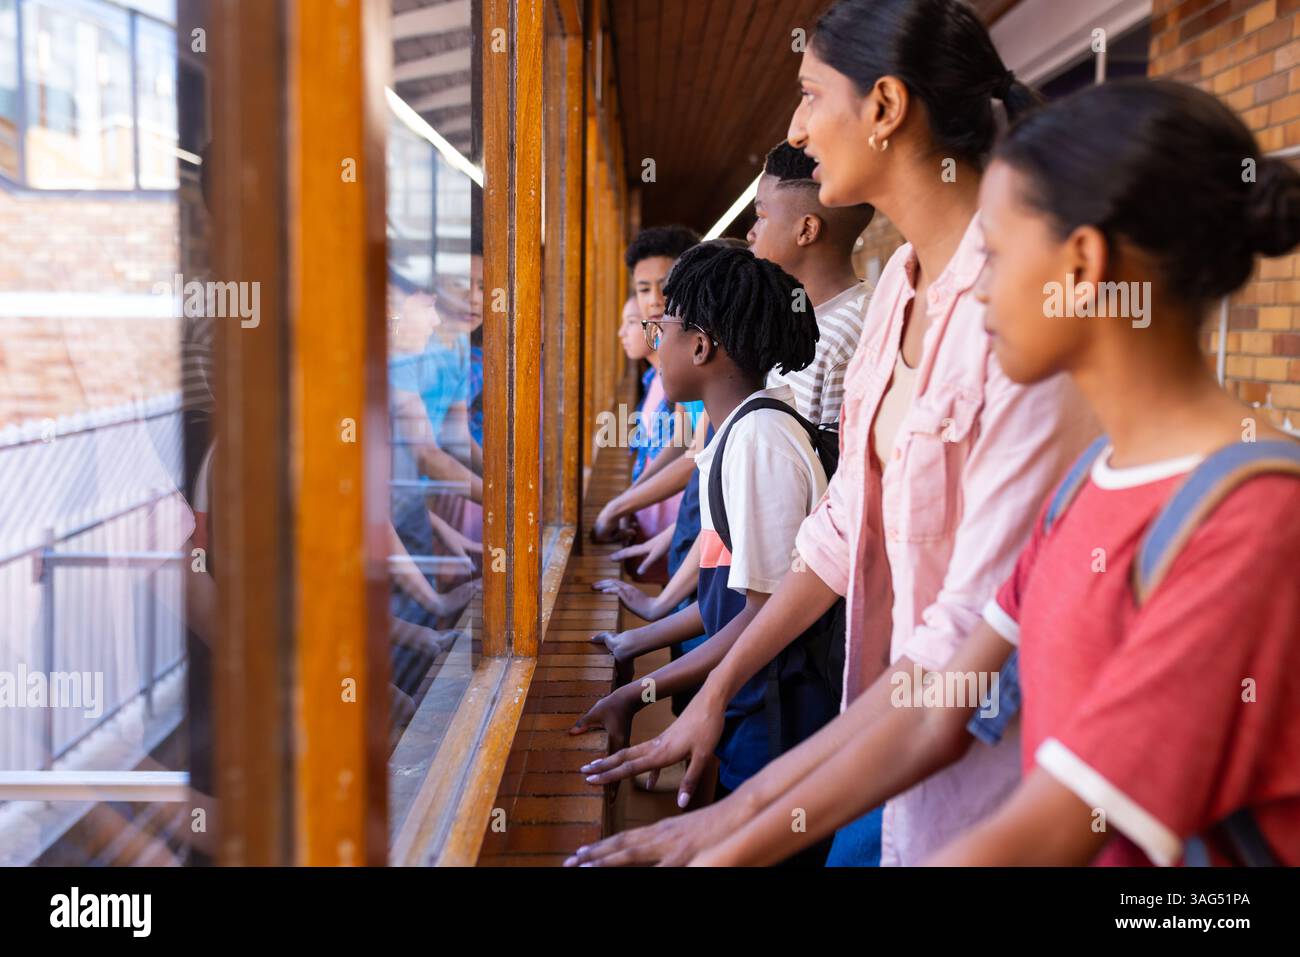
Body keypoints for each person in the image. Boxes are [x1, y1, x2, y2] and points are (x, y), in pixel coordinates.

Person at [568, 0, 1096, 868]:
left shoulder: (1023, 319)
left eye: (812, 94)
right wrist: (712, 686)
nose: (797, 125)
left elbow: (963, 648)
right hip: (876, 736)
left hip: (992, 781)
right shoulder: (896, 292)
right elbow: (840, 525)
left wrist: (723, 833)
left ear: (885, 109)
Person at [571, 244, 839, 838]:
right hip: (752, 697)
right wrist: (636, 643)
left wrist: (644, 691)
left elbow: (765, 615)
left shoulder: (759, 443)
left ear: (699, 345)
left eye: (657, 326)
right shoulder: (736, 435)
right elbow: (731, 598)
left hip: (781, 710)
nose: (651, 340)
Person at [750, 141, 874, 426]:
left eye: (761, 217)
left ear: (806, 230)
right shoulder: (791, 317)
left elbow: (833, 466)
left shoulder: (850, 336)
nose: (751, 233)